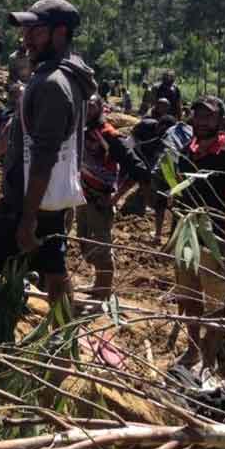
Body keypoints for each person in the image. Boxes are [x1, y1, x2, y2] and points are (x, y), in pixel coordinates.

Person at [0, 0, 96, 320]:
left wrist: (27, 218)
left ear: (60, 33)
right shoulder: (61, 74)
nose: (25, 40)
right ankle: (64, 346)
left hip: (29, 200)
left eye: (35, 32)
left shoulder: (53, 84)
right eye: (25, 31)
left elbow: (43, 157)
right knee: (53, 269)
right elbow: (22, 127)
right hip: (50, 200)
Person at [154, 96, 225, 370]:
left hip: (213, 242)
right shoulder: (185, 153)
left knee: (216, 302)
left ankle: (209, 356)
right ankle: (193, 349)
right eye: (197, 115)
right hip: (186, 239)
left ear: (220, 121)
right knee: (188, 297)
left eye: (208, 116)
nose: (201, 121)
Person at [78, 94, 151, 299]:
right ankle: (98, 284)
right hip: (82, 196)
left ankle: (103, 291)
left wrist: (115, 196)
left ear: (101, 108)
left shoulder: (109, 135)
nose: (87, 110)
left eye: (92, 106)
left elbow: (137, 169)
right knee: (84, 243)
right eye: (85, 106)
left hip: (101, 199)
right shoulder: (83, 132)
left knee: (102, 246)